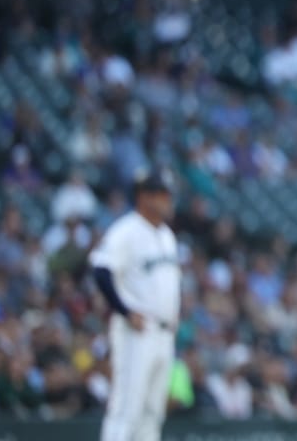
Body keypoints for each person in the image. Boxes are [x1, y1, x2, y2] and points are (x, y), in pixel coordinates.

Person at [91, 168, 182, 441]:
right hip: (137, 331)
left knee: (153, 413)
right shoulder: (126, 231)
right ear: (144, 197)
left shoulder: (167, 235)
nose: (168, 200)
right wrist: (125, 311)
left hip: (164, 333)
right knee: (126, 409)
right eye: (163, 194)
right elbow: (101, 270)